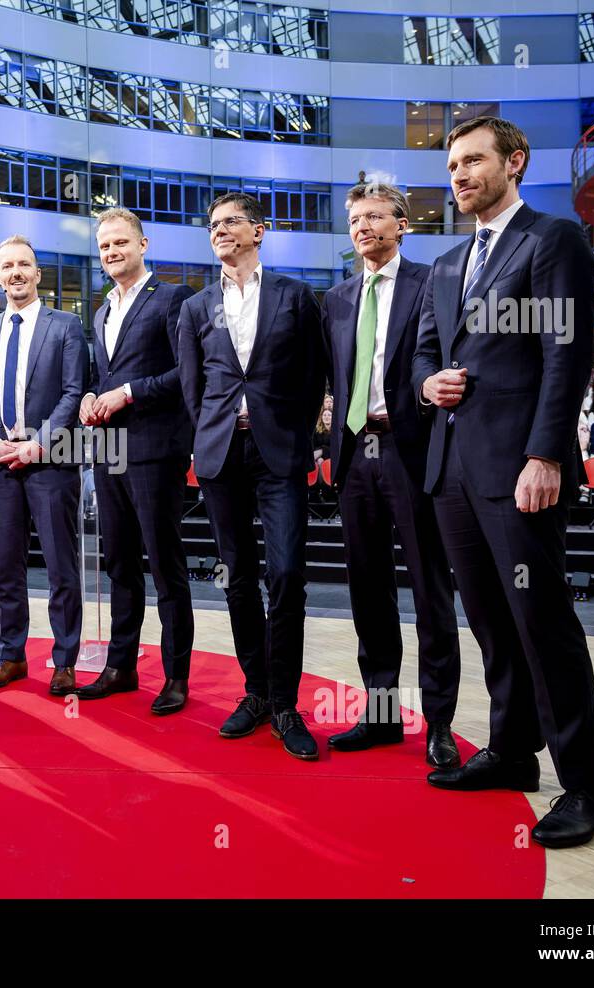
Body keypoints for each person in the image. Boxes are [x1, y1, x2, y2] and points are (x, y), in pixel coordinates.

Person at [413, 116, 594, 848]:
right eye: (453, 165)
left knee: (543, 625)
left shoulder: (551, 240)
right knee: (492, 621)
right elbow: (424, 357)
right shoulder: (445, 265)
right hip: (453, 472)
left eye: (473, 160)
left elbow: (567, 356)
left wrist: (548, 455)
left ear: (514, 162)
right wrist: (426, 382)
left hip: (520, 466)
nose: (460, 174)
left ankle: (585, 788)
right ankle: (511, 753)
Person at [176, 191, 327, 758]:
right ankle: (257, 692)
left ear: (258, 231)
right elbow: (194, 389)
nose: (220, 230)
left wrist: (293, 428)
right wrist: (210, 434)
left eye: (231, 222)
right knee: (237, 576)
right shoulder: (194, 308)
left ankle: (287, 705)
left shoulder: (294, 296)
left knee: (286, 573)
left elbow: (314, 375)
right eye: (212, 224)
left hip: (279, 452)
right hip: (220, 456)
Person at [321, 181, 461, 768]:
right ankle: (380, 716)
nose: (363, 227)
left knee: (430, 588)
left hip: (412, 448)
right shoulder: (336, 298)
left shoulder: (433, 281)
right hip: (356, 452)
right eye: (355, 218)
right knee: (368, 589)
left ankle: (439, 723)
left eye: (375, 216)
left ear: (402, 224)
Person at [74, 208, 197, 715]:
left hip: (154, 450)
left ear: (143, 244)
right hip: (109, 451)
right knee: (119, 562)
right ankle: (121, 666)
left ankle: (175, 677)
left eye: (120, 242)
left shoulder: (172, 298)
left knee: (165, 566)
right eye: (104, 247)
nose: (111, 252)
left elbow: (185, 374)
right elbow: (101, 376)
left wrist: (127, 392)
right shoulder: (101, 312)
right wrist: (89, 396)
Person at [0, 235, 88, 696]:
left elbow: (74, 392)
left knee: (61, 567)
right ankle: (11, 656)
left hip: (51, 461)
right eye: (7, 266)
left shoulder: (66, 325)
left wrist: (37, 444)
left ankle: (64, 661)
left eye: (25, 265)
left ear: (38, 274)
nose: (16, 272)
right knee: (7, 569)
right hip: (0, 464)